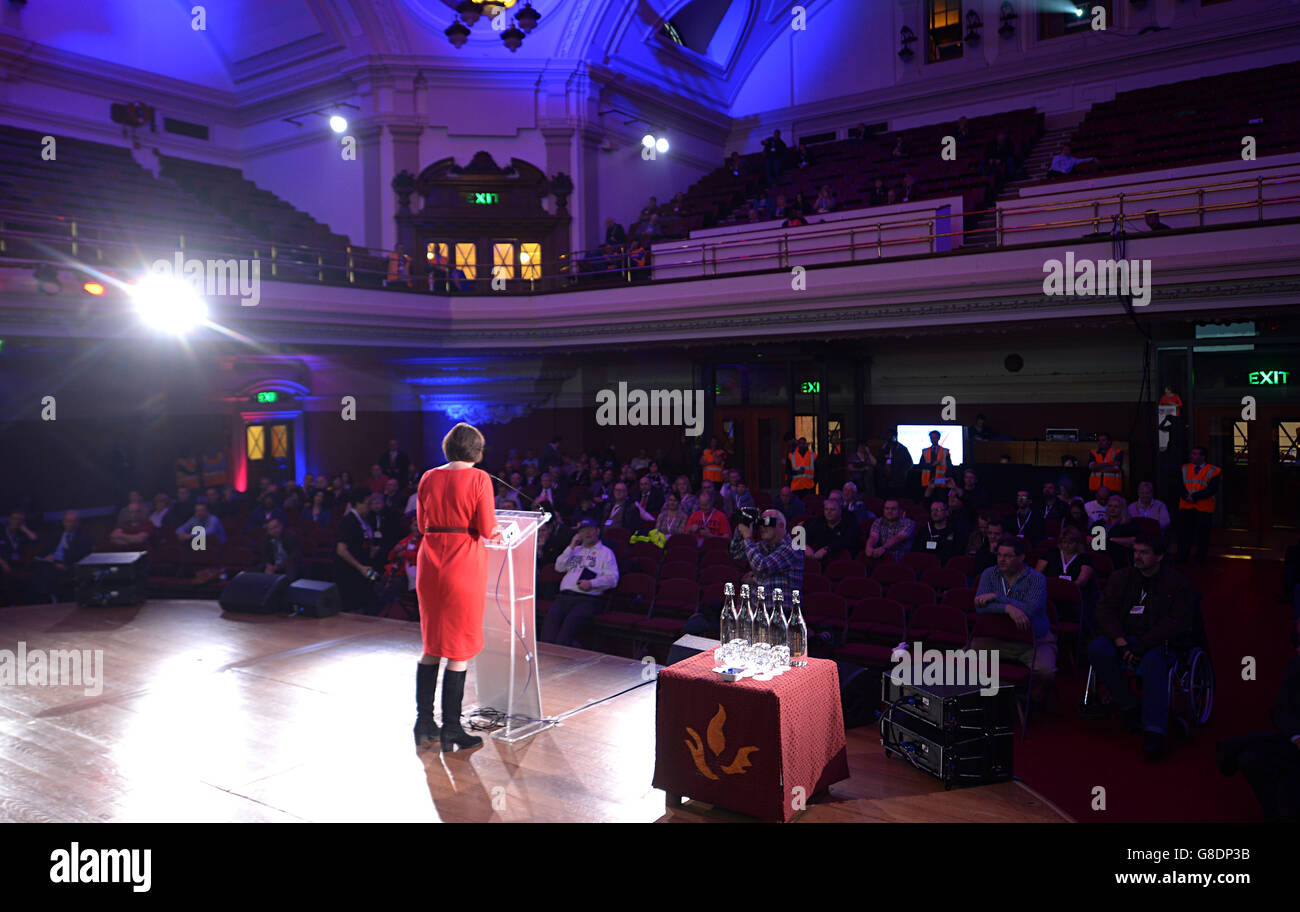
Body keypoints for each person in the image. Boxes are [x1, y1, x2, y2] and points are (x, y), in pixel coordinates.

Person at [412, 422, 499, 752]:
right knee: (459, 649)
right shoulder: (480, 478)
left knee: (432, 644)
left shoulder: (428, 477)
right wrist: (499, 534)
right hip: (463, 563)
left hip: (430, 562)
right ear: (476, 449)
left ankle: (424, 723)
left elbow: (422, 524)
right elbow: (488, 527)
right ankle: (451, 728)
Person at [1083, 533, 1194, 759]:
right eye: (1135, 552)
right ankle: (1128, 704)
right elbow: (1105, 610)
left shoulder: (1177, 583)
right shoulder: (1122, 577)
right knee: (1097, 649)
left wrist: (1141, 646)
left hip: (1158, 641)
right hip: (1124, 637)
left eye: (1144, 553)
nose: (1137, 557)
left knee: (1154, 662)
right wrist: (1121, 642)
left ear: (1160, 556)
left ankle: (1155, 730)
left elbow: (1174, 623)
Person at [1216, 621, 1300, 821]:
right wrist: (1296, 737)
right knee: (1251, 758)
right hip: (1296, 742)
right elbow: (1283, 711)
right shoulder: (1296, 667)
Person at [973, 536, 1055, 701]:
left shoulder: (1036, 579)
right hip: (996, 639)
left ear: (1021, 557)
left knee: (1046, 671)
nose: (1002, 560)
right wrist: (1008, 608)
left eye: (1008, 556)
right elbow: (980, 606)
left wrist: (997, 597)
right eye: (999, 555)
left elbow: (1030, 610)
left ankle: (1029, 702)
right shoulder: (989, 574)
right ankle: (977, 698)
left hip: (1033, 641)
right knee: (962, 659)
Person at [541, 518, 619, 648]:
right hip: (563, 597)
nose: (587, 534)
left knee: (564, 636)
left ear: (597, 531)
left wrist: (592, 583)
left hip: (587, 599)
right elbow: (559, 567)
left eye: (590, 530)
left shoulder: (606, 553)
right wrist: (571, 546)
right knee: (547, 633)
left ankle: (561, 662)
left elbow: (613, 579)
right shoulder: (575, 550)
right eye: (583, 531)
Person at [1036, 526, 1099, 631]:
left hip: (1075, 596)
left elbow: (1081, 581)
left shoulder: (1085, 558)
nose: (1066, 545)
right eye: (1064, 542)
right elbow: (1037, 575)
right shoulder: (1050, 554)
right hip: (1051, 594)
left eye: (1070, 543)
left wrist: (1064, 589)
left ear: (1077, 543)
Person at [730, 509, 804, 596]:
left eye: (767, 521)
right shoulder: (761, 546)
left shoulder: (792, 548)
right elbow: (736, 554)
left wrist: (747, 537)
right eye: (760, 522)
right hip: (757, 606)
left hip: (779, 607)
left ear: (781, 525)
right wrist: (741, 528)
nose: (762, 526)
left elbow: (762, 566)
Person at [31, 510, 93, 603]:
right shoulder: (56, 535)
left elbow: (82, 556)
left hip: (67, 565)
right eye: (68, 521)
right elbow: (45, 550)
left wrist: (66, 564)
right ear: (63, 522)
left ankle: (48, 598)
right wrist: (46, 556)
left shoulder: (84, 537)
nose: (70, 524)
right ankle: (43, 598)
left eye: (73, 521)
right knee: (40, 568)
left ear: (78, 523)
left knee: (46, 573)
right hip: (51, 563)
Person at [336, 490, 381, 616]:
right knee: (357, 605)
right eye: (367, 504)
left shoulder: (365, 520)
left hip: (366, 568)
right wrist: (360, 567)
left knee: (375, 597)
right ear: (358, 503)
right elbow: (341, 549)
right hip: (353, 571)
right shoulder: (349, 521)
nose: (370, 507)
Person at [1175, 446, 1220, 566]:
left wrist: (1194, 497)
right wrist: (1186, 496)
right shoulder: (1184, 468)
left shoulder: (1213, 470)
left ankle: (1200, 559)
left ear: (1203, 456)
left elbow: (1212, 489)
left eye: (1196, 454)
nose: (1192, 456)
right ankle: (1182, 557)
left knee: (1202, 535)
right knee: (1184, 534)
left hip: (1204, 508)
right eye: (1192, 454)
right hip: (1186, 506)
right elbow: (1178, 484)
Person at [803, 497, 863, 564]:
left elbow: (847, 540)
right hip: (819, 560)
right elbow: (805, 533)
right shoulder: (818, 522)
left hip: (841, 562)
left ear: (840, 511)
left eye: (832, 510)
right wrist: (806, 545)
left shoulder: (849, 523)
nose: (828, 512)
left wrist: (827, 548)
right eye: (826, 509)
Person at [864, 499, 916, 564]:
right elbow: (873, 537)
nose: (889, 511)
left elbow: (898, 538)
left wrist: (884, 548)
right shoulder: (878, 521)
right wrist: (869, 547)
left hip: (900, 560)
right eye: (887, 508)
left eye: (893, 509)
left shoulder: (909, 523)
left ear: (900, 510)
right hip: (880, 558)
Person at [914, 499, 961, 565]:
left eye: (938, 510)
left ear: (947, 512)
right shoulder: (925, 530)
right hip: (924, 566)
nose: (934, 513)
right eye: (932, 510)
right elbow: (916, 551)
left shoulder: (954, 531)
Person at [261, 517, 303, 582]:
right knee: (260, 568)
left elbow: (294, 556)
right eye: (271, 529)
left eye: (275, 527)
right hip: (275, 563)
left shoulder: (290, 536)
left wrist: (279, 566)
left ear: (281, 526)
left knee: (291, 569)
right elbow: (266, 554)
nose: (274, 531)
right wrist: (268, 564)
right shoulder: (267, 538)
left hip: (288, 563)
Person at [918, 430, 955, 500]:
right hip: (928, 479)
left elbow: (949, 466)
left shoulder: (945, 451)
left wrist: (948, 478)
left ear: (939, 438)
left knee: (940, 498)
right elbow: (921, 465)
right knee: (928, 499)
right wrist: (932, 465)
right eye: (931, 438)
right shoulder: (925, 451)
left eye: (935, 437)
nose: (933, 439)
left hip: (940, 480)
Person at [877, 432, 912, 498]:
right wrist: (882, 471)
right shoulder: (883, 449)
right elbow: (878, 462)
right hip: (884, 481)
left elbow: (909, 463)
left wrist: (902, 472)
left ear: (895, 436)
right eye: (888, 436)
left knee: (898, 498)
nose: (889, 438)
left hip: (898, 481)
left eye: (891, 436)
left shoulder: (902, 449)